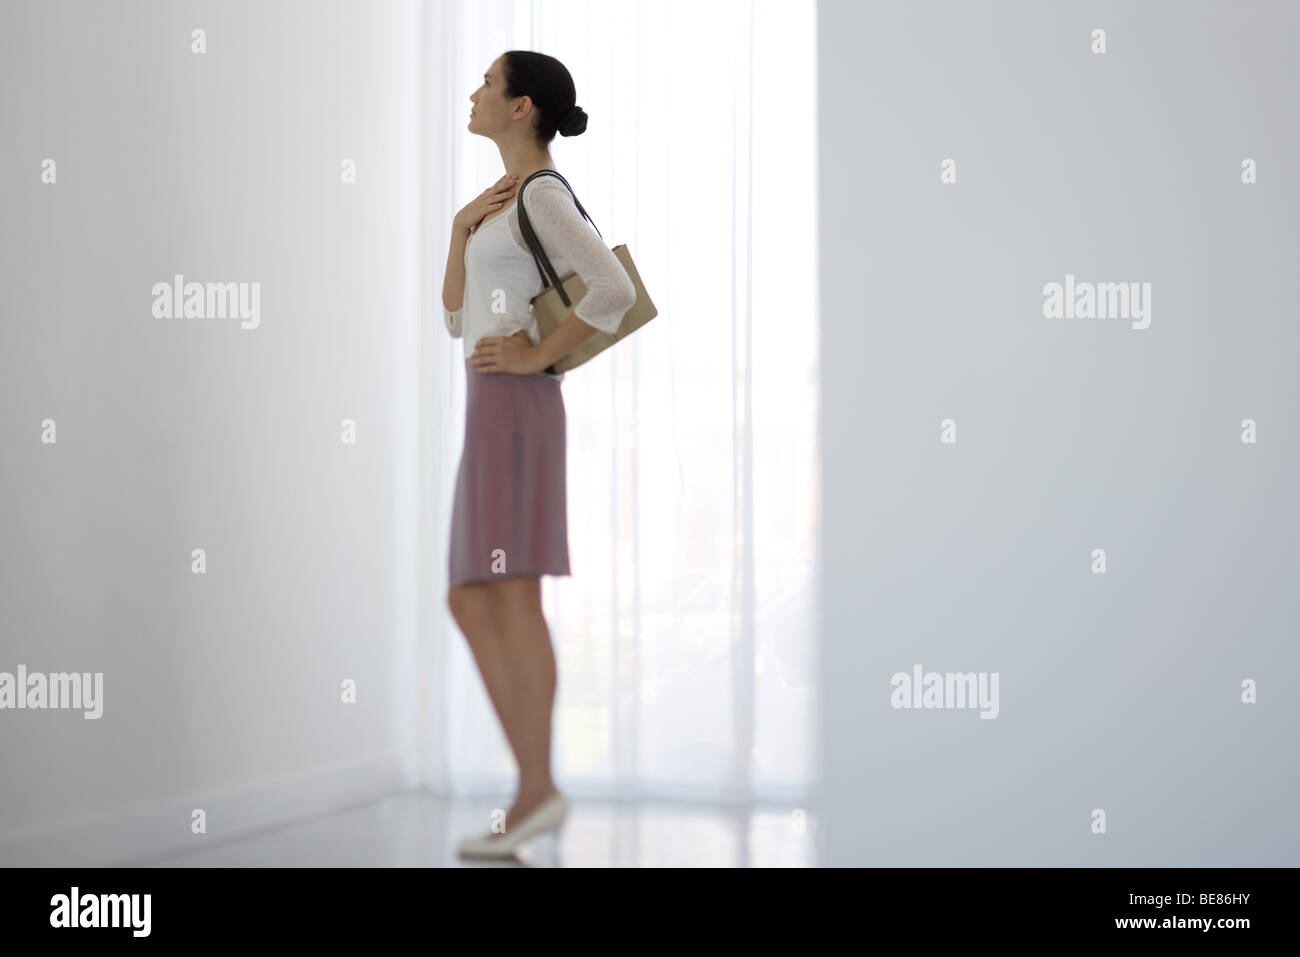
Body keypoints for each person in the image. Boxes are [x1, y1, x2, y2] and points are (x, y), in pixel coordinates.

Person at [440, 51, 636, 859]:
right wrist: (459, 228)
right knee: (473, 594)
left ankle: (536, 790)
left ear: (522, 108)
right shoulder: (499, 205)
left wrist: (531, 355)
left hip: (517, 405)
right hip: (490, 405)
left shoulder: (544, 193)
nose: (476, 93)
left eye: (489, 83)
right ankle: (535, 789)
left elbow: (612, 292)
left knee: (509, 593)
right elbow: (457, 320)